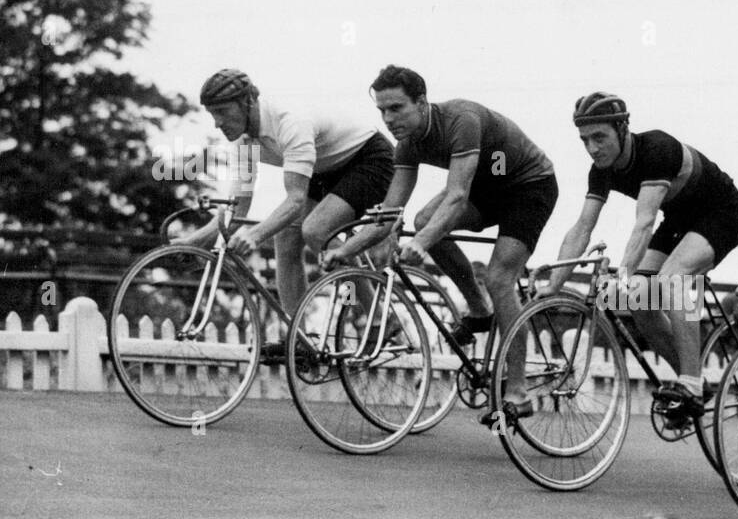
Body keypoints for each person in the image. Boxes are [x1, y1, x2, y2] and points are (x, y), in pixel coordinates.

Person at [324, 65, 558, 422]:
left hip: (529, 186)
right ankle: (479, 311)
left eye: (396, 108)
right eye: (382, 111)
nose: (389, 119)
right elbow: (389, 214)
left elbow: (457, 196)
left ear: (422, 103)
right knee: (421, 222)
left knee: (498, 278)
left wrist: (420, 243)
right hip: (488, 188)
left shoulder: (460, 120)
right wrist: (347, 248)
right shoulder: (407, 145)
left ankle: (519, 390)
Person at [541, 91, 738, 425]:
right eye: (585, 140)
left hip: (721, 214)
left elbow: (644, 223)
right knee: (639, 299)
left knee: (673, 277)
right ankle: (693, 381)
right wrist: (553, 284)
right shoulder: (601, 170)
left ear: (623, 129)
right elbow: (582, 227)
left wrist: (621, 275)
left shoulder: (655, 149)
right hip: (680, 221)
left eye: (600, 137)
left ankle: (691, 384)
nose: (593, 148)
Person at [179, 69, 395, 360]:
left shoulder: (289, 123)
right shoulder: (245, 141)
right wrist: (191, 242)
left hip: (369, 159)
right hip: (326, 169)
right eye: (211, 114)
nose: (217, 123)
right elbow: (236, 209)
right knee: (286, 238)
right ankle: (300, 339)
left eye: (222, 112)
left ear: (247, 102)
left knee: (316, 230)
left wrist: (255, 235)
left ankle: (379, 319)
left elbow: (294, 200)